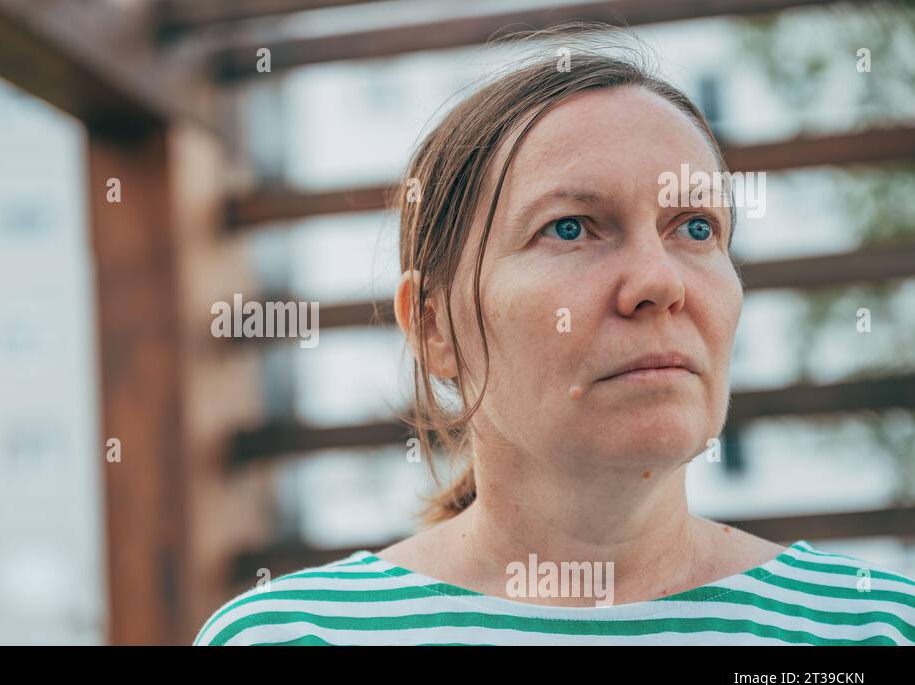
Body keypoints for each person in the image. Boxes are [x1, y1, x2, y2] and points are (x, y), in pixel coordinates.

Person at [194, 33, 915, 646]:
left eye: (695, 227)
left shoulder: (868, 631)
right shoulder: (295, 636)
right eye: (570, 227)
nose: (659, 282)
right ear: (436, 326)